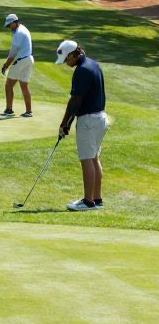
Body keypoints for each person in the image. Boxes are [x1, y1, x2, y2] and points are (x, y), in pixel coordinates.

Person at [55, 39, 108, 211]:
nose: (65, 63)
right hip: (100, 118)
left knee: (86, 159)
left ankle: (88, 202)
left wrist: (64, 124)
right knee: (93, 158)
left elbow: (75, 101)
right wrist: (68, 123)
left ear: (73, 54)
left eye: (66, 59)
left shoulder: (81, 71)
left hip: (88, 121)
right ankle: (97, 199)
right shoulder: (93, 64)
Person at [0, 13, 34, 117]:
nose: (9, 27)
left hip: (21, 61)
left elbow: (13, 53)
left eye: (10, 25)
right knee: (24, 86)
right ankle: (28, 112)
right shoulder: (23, 28)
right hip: (28, 59)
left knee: (9, 85)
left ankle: (9, 110)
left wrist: (6, 65)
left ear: (15, 22)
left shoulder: (18, 33)